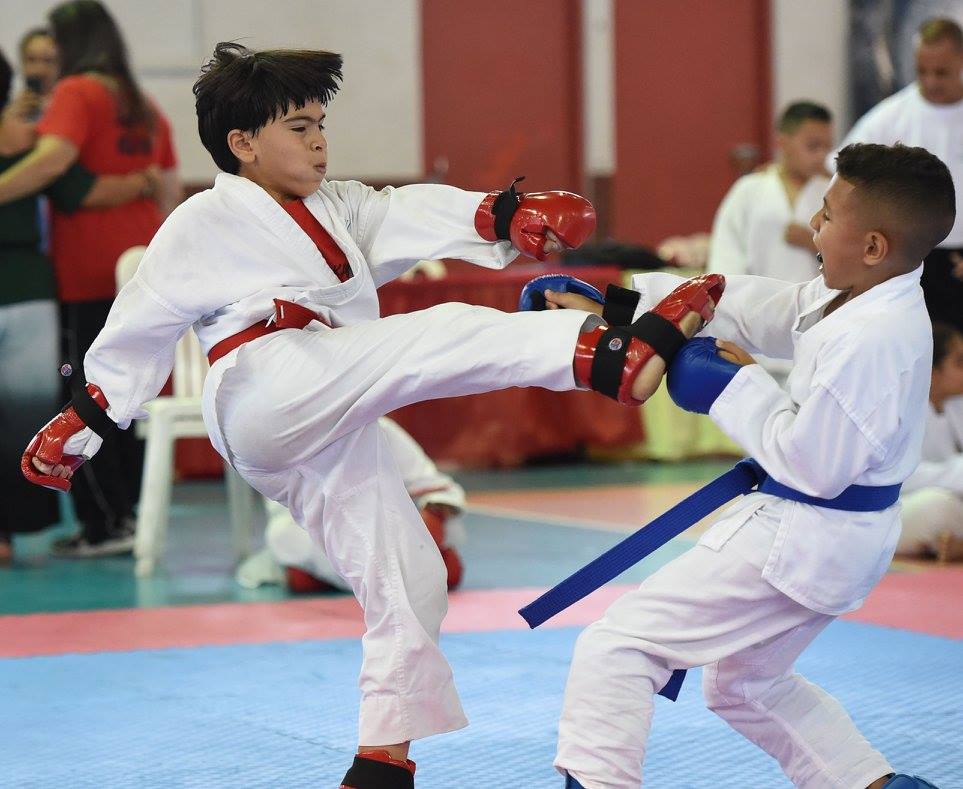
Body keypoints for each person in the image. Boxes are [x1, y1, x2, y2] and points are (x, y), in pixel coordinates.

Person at [20, 42, 725, 788]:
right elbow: (146, 316)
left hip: (325, 405)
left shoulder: (341, 205)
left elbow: (406, 213)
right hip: (262, 385)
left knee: (411, 573)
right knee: (439, 331)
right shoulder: (203, 221)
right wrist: (89, 416)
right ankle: (604, 355)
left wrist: (501, 213)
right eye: (299, 125)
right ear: (242, 142)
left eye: (322, 121)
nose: (320, 139)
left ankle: (381, 759)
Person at [544, 143, 953, 788]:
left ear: (873, 246)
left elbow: (814, 466)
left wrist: (734, 387)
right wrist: (623, 301)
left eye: (827, 214)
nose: (813, 226)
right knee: (744, 684)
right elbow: (774, 309)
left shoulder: (876, 336)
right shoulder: (857, 296)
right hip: (827, 536)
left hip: (808, 533)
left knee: (618, 646)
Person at [0, 0, 181, 557]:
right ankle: (123, 516)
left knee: (87, 394)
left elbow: (53, 162)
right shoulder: (142, 105)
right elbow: (169, 188)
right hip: (140, 267)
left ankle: (104, 523)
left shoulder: (79, 93)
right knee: (129, 395)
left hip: (87, 272)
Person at [832, 17, 963, 333]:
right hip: (910, 257)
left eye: (941, 72)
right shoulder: (889, 117)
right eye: (922, 71)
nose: (930, 81)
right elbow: (842, 175)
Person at [238, 417, 467, 594]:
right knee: (284, 536)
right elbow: (289, 515)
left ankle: (358, 581)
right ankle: (398, 581)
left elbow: (436, 488)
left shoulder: (382, 431)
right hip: (332, 539)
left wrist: (434, 514)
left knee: (443, 528)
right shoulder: (291, 444)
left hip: (391, 536)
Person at [708, 101, 833, 283]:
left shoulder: (832, 192)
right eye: (813, 146)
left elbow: (855, 256)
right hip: (755, 302)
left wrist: (812, 242)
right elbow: (727, 252)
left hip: (819, 304)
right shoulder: (749, 189)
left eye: (827, 147)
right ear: (783, 142)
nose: (822, 155)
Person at [896, 321, 963, 563]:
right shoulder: (901, 409)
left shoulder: (957, 404)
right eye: (959, 362)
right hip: (904, 505)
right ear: (932, 372)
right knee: (937, 505)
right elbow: (903, 477)